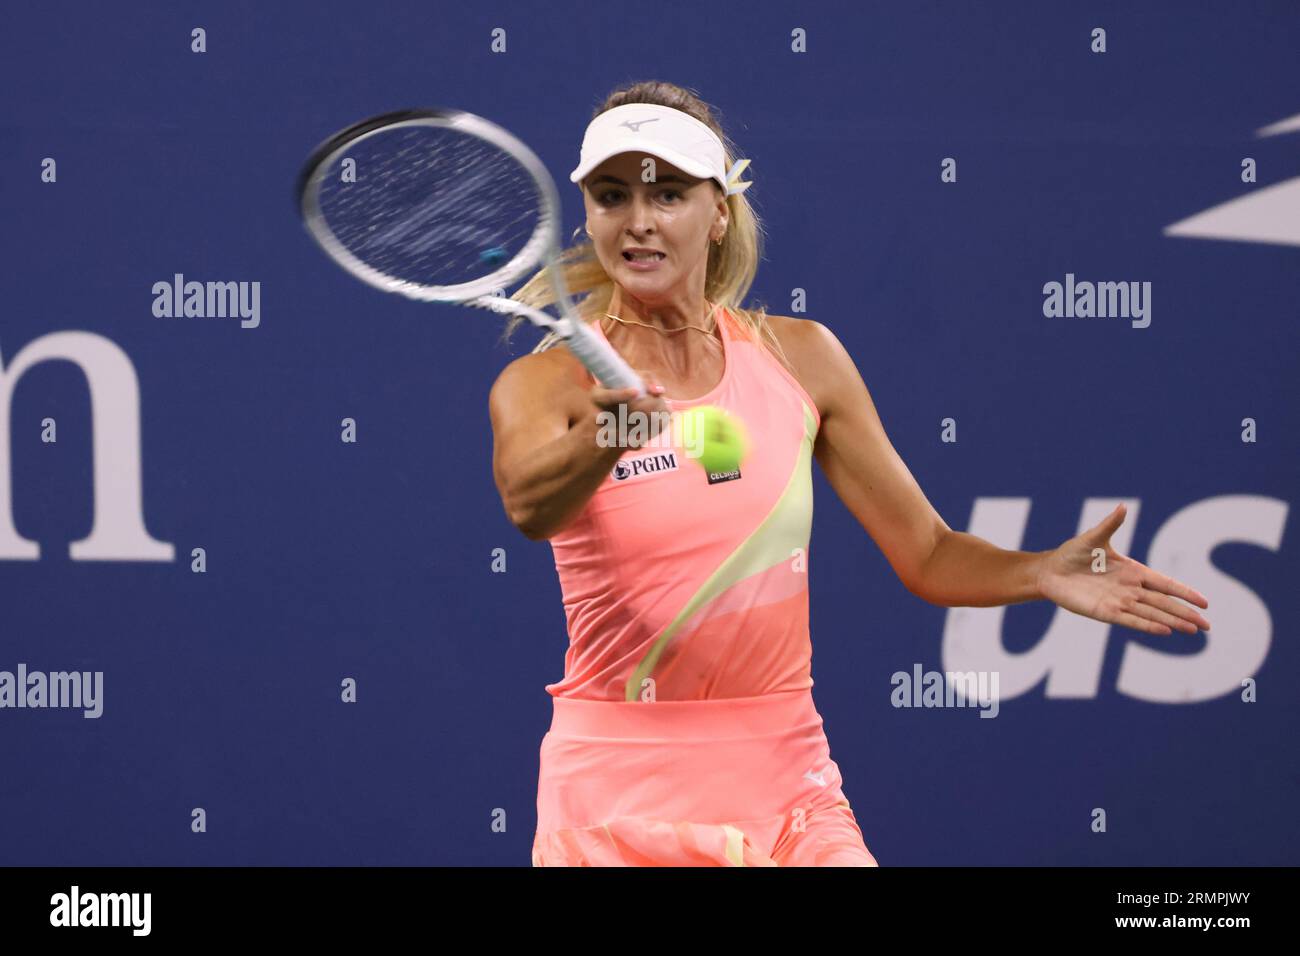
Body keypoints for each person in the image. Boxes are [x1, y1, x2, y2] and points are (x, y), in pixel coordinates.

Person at [488, 82, 1212, 866]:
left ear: (720, 211)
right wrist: (606, 430)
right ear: (589, 213)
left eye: (668, 193)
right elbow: (529, 502)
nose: (639, 220)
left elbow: (928, 553)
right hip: (617, 791)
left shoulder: (803, 359)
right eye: (611, 195)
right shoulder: (546, 384)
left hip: (789, 779)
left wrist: (1039, 572)